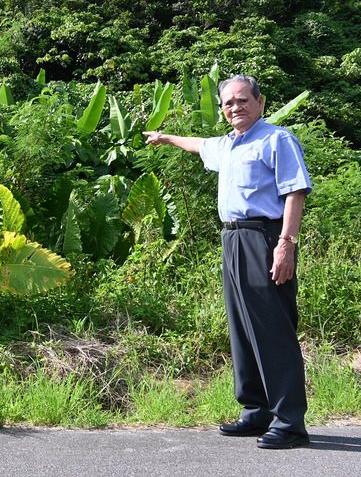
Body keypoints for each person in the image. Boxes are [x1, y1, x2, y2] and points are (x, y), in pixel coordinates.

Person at [144, 74, 311, 450]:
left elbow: (295, 192)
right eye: (228, 103)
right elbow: (198, 145)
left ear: (260, 101)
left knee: (272, 329)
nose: (235, 106)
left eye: (242, 100)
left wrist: (286, 243)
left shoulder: (277, 140)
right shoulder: (228, 145)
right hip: (232, 238)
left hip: (265, 238)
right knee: (242, 329)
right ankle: (256, 411)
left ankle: (290, 422)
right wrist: (166, 138)